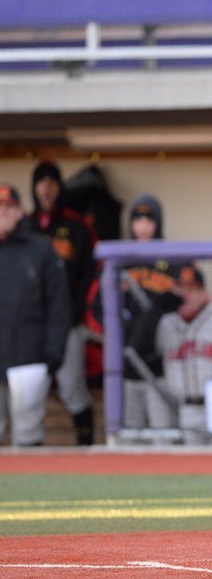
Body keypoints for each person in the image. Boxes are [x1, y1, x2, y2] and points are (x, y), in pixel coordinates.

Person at [87, 195, 180, 439]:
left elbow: (188, 304)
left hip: (162, 368)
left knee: (164, 434)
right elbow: (95, 308)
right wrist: (119, 332)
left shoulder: (175, 260)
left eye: (149, 220)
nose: (143, 226)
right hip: (127, 365)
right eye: (137, 220)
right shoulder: (118, 262)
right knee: (131, 435)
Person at [130, 265, 212, 445]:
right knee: (195, 469)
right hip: (187, 410)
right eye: (181, 289)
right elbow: (140, 349)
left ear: (205, 293)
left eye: (192, 290)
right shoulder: (167, 324)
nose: (186, 295)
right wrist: (157, 309)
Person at [29, 160, 98, 445]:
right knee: (31, 389)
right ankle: (30, 452)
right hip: (32, 326)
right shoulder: (24, 227)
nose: (47, 188)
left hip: (68, 323)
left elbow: (91, 273)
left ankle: (86, 446)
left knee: (71, 387)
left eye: (52, 182)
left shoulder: (76, 226)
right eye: (41, 182)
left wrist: (76, 310)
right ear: (34, 187)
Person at [0, 183, 71, 447]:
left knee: (28, 436)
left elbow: (59, 306)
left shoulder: (40, 250)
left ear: (20, 211)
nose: (3, 213)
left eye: (9, 207)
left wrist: (53, 353)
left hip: (28, 359)